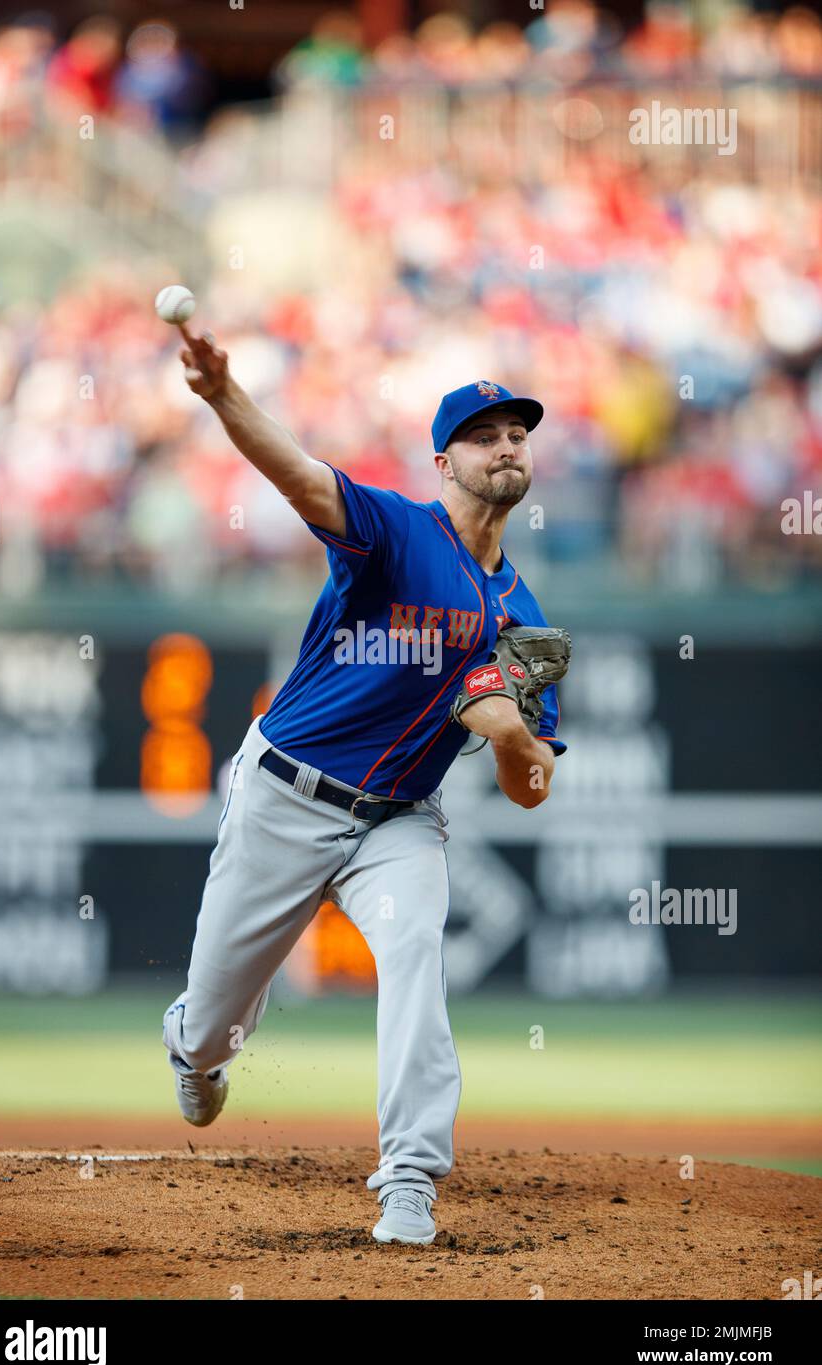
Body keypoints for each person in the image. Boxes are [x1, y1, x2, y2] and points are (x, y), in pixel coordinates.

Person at [162, 328, 567, 1246]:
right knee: (215, 1022)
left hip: (399, 823)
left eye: (518, 433)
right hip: (286, 793)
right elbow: (302, 479)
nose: (507, 445)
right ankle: (194, 1040)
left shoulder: (526, 621)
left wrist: (510, 739)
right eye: (484, 434)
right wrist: (223, 396)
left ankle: (410, 1183)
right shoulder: (392, 532)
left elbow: (533, 786)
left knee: (417, 954)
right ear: (443, 460)